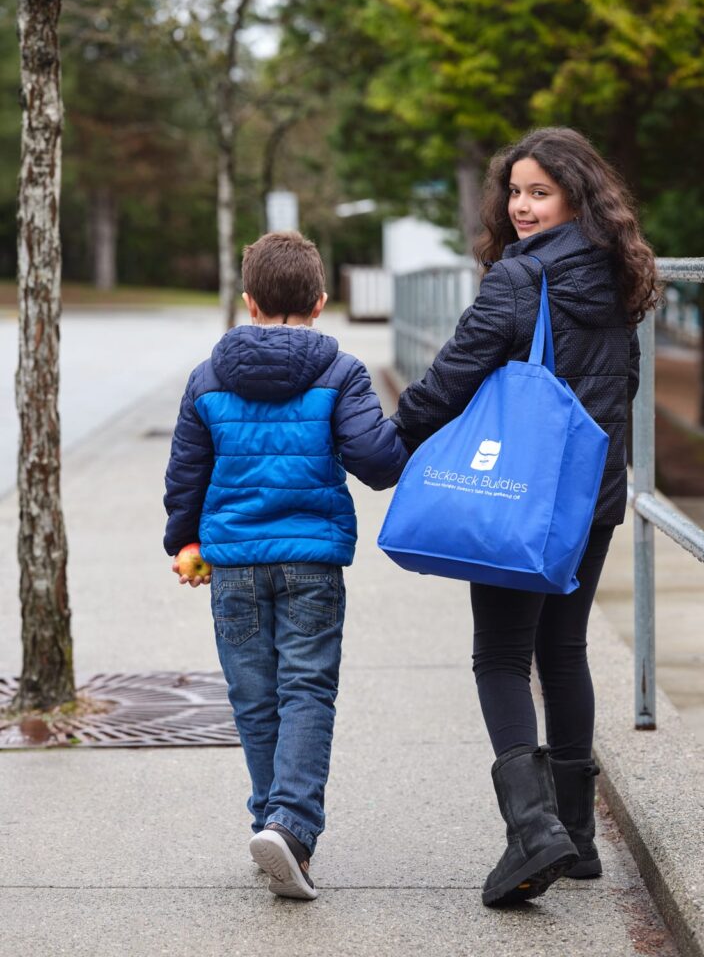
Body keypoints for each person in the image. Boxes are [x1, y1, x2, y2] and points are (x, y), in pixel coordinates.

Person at [392, 127, 659, 906]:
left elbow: (450, 377)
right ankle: (577, 841)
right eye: (514, 192)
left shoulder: (520, 281)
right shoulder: (619, 274)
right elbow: (627, 385)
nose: (520, 207)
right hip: (592, 491)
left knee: (502, 658)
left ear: (576, 196)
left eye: (539, 192)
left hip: (518, 497)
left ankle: (533, 832)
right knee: (564, 645)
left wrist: (385, 446)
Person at [163, 230, 408, 901]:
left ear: (248, 302)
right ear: (321, 303)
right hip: (311, 564)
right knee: (306, 690)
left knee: (254, 695)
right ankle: (290, 828)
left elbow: (186, 474)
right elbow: (379, 463)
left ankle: (272, 819)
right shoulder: (340, 373)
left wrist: (183, 543)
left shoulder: (207, 377)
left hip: (234, 563)